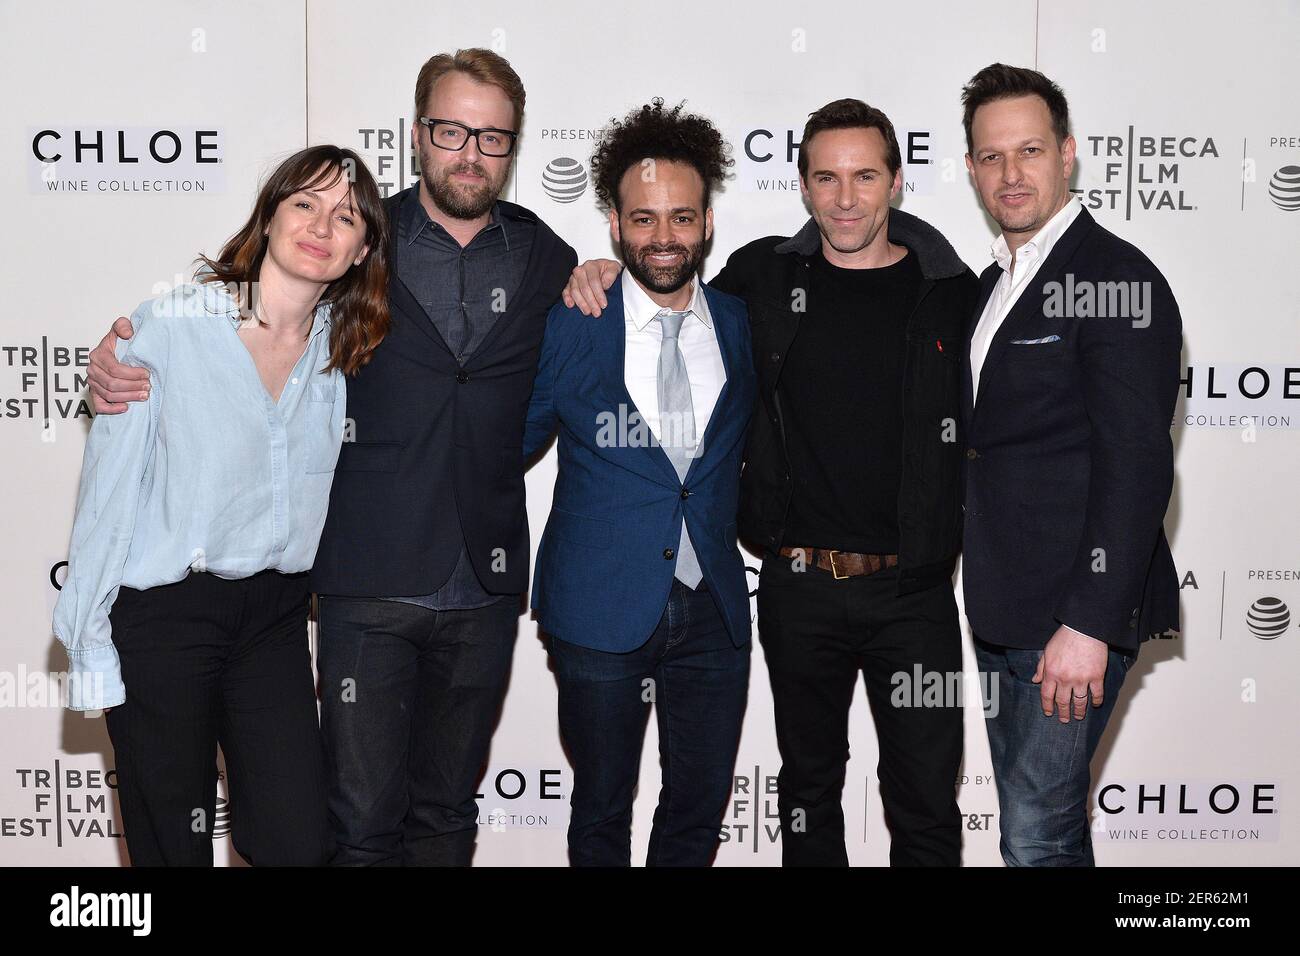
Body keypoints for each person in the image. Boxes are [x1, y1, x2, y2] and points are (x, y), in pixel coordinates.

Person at [86, 49, 577, 866]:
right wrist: (122, 353)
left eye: (493, 138)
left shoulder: (549, 258)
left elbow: (543, 402)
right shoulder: (358, 240)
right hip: (362, 579)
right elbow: (238, 315)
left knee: (448, 812)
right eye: (452, 129)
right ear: (420, 133)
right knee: (352, 821)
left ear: (514, 146)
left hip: (482, 584)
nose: (471, 152)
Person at [563, 99, 977, 866]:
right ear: (803, 185)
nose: (845, 197)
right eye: (827, 177)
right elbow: (666, 288)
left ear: (896, 183)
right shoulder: (761, 276)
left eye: (864, 176)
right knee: (808, 793)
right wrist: (601, 271)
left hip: (913, 592)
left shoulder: (950, 288)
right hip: (798, 587)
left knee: (924, 799)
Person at [54, 144, 388, 866]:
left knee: (295, 841)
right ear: (269, 217)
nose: (322, 225)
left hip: (272, 621)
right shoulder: (171, 327)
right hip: (165, 619)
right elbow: (107, 499)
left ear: (363, 250)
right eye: (304, 203)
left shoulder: (347, 350)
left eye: (347, 216)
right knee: (174, 843)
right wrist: (88, 646)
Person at [959, 63, 1181, 866]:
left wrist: (1088, 623)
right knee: (1041, 827)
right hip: (1003, 609)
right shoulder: (994, 283)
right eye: (991, 157)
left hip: (1070, 615)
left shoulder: (1118, 279)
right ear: (971, 168)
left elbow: (1138, 464)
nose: (1011, 174)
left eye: (1029, 151)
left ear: (1068, 153)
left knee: (1036, 831)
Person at [525, 100, 754, 866]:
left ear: (708, 223)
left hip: (715, 612)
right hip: (597, 611)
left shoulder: (743, 323)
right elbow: (502, 445)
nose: (664, 238)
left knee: (695, 812)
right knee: (600, 812)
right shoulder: (569, 322)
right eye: (644, 219)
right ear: (616, 226)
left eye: (681, 218)